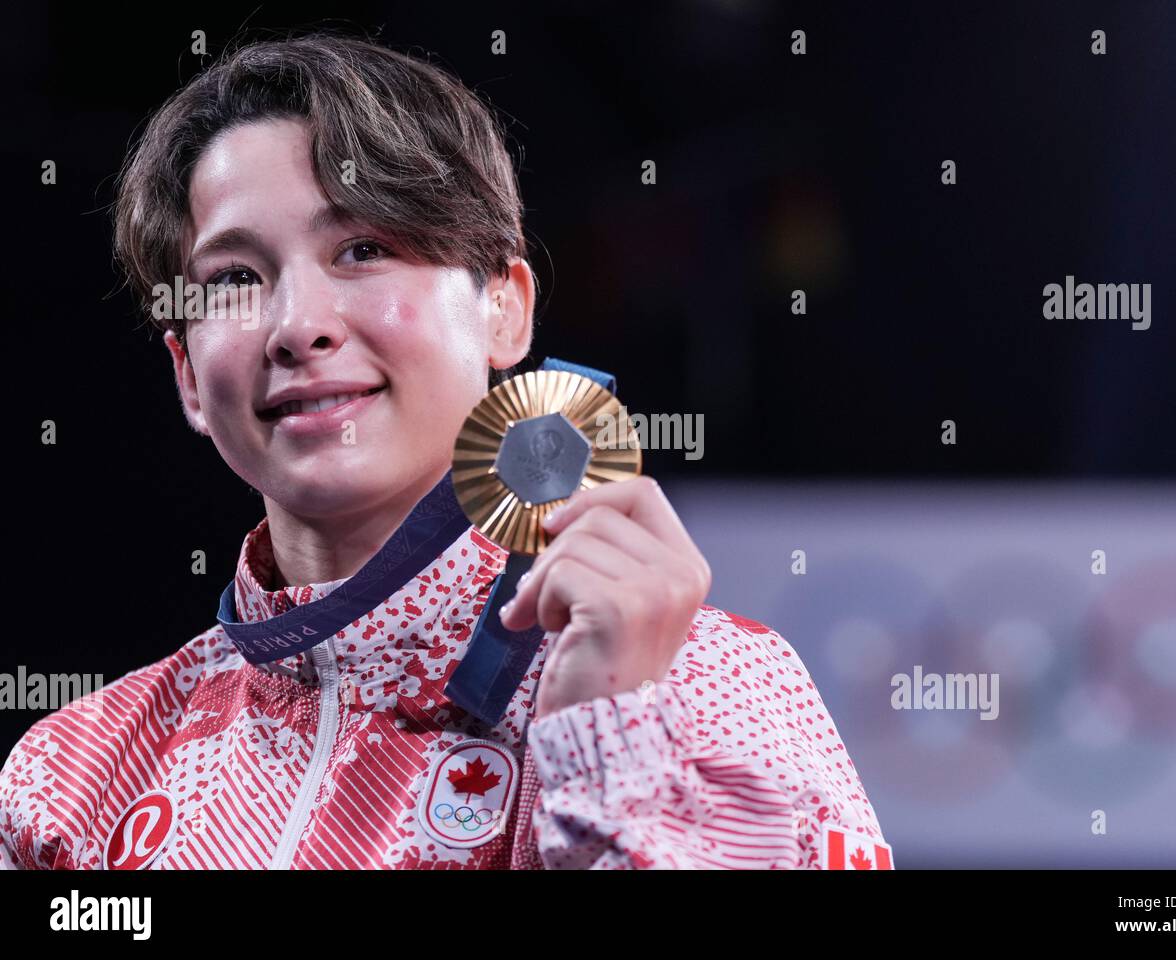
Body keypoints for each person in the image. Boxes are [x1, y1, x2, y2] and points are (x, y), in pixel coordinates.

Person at [0, 32, 892, 870]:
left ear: (504, 308)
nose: (297, 326)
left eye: (363, 248)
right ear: (188, 372)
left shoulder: (711, 681)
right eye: (234, 278)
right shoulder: (74, 778)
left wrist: (611, 750)